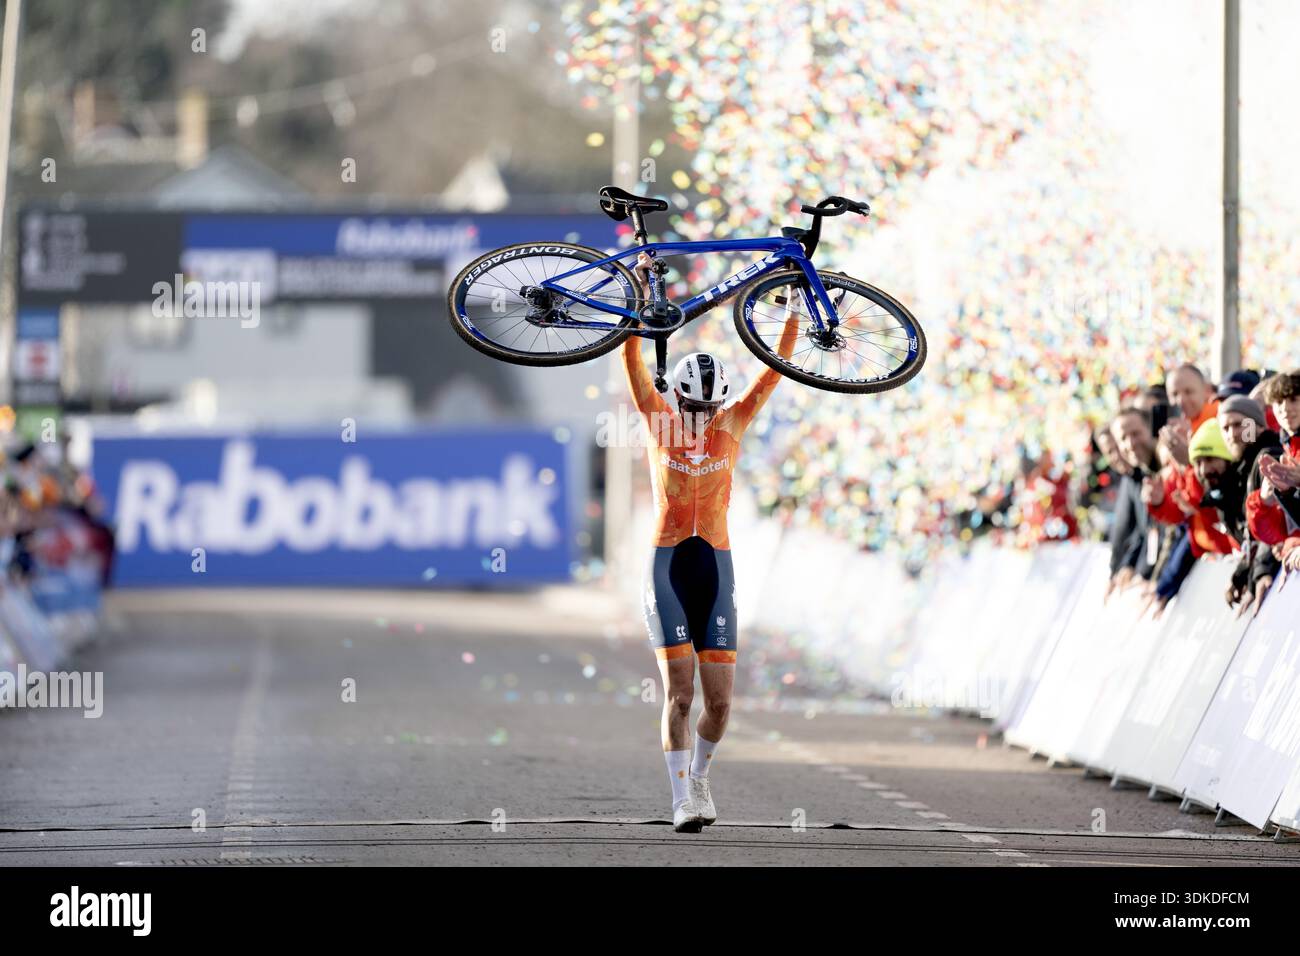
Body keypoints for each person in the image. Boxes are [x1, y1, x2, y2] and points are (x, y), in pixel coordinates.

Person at [622, 254, 800, 833]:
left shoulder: (732, 423)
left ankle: (700, 778)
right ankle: (680, 800)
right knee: (679, 695)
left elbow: (774, 370)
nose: (700, 417)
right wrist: (641, 293)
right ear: (677, 398)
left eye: (708, 408)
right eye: (691, 407)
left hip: (715, 568)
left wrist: (793, 312)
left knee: (720, 704)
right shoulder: (657, 421)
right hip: (668, 567)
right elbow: (630, 357)